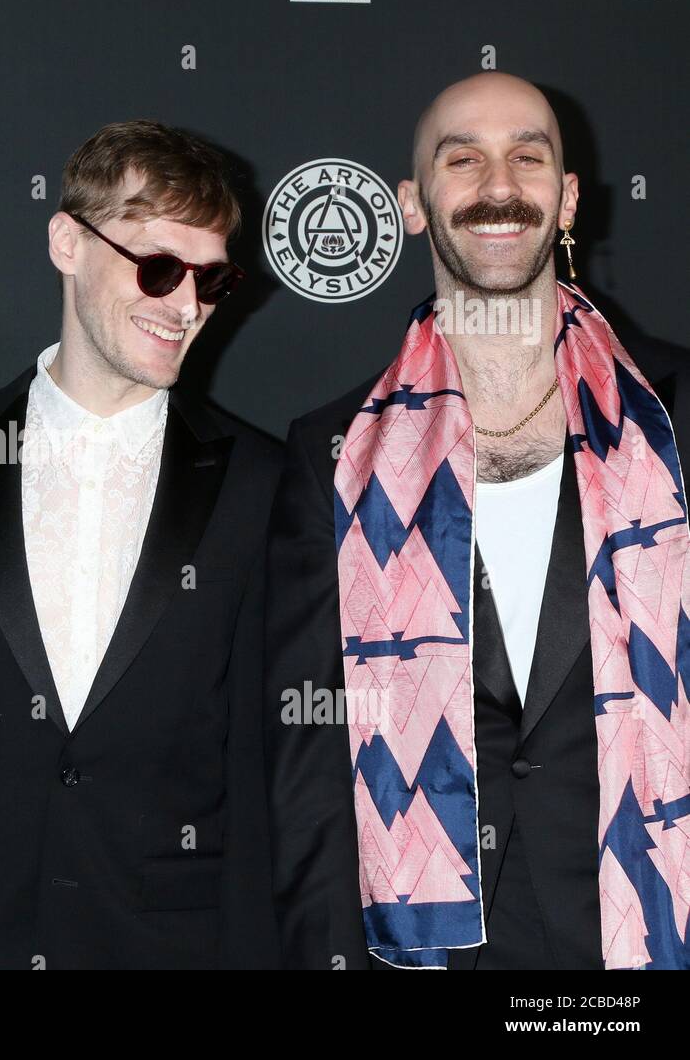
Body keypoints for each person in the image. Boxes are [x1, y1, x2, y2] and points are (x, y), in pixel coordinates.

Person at [265, 71, 690, 970]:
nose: (500, 187)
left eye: (527, 158)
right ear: (413, 205)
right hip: (429, 949)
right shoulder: (331, 453)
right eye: (464, 160)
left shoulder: (676, 417)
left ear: (567, 199)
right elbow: (310, 753)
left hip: (649, 933)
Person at [0, 120, 281, 969]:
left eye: (212, 282)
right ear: (68, 240)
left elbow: (265, 769)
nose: (185, 307)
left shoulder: (261, 486)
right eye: (161, 267)